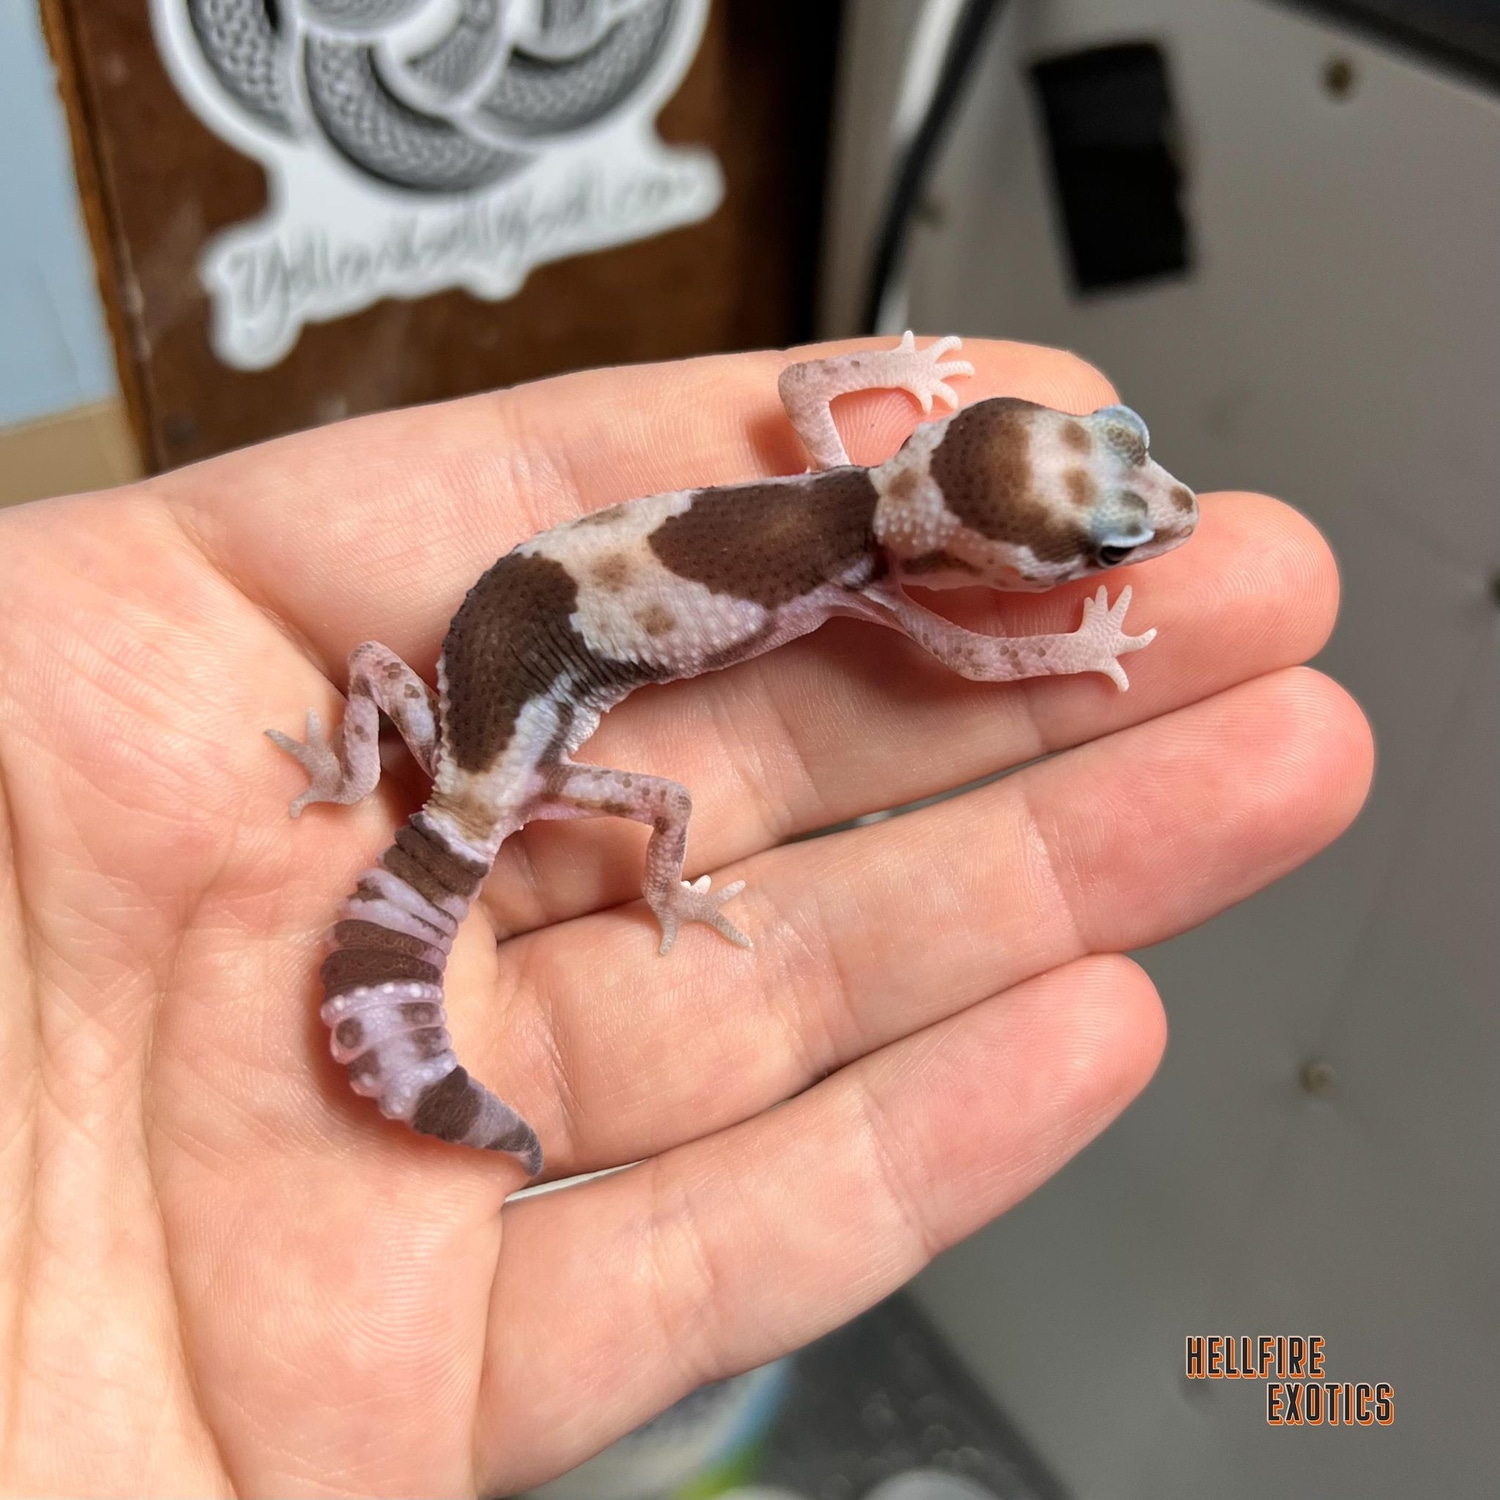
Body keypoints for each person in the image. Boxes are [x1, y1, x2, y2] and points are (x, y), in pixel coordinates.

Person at [0, 339, 1369, 1495]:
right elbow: (973, 649)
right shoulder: (886, 568)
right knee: (665, 802)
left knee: (397, 684)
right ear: (975, 535)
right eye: (1112, 531)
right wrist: (1079, 645)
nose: (1159, 518)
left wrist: (893, 366)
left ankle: (360, 778)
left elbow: (815, 388)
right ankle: (646, 896)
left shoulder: (848, 487)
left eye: (1119, 489)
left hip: (479, 687)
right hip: (514, 757)